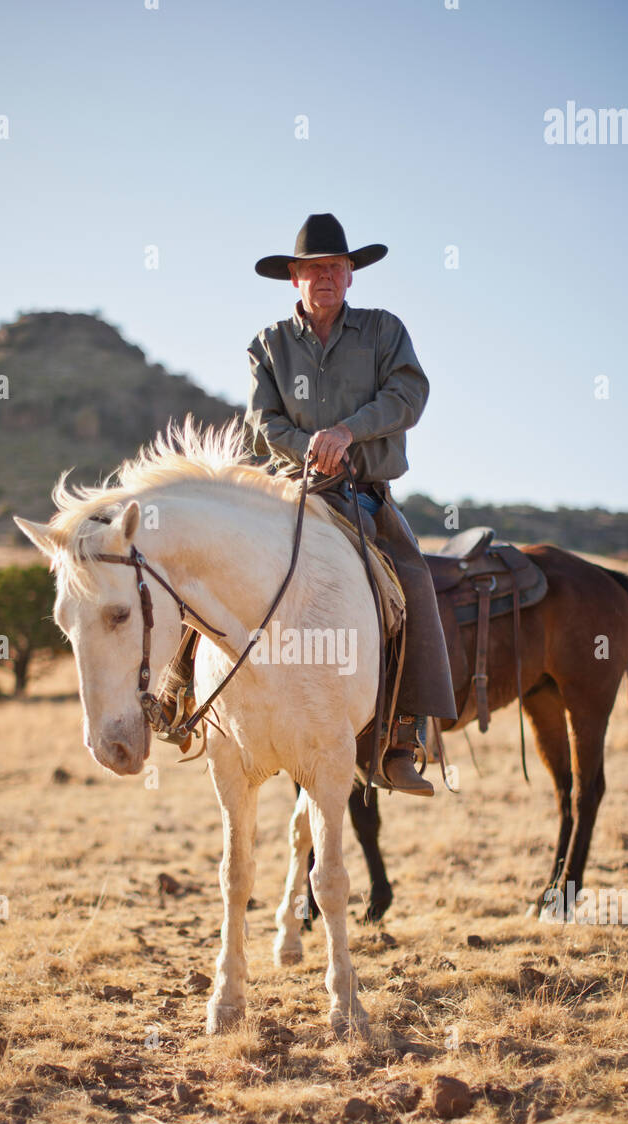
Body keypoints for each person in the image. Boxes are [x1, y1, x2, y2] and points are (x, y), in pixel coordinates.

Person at [244, 212, 456, 795]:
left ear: (351, 276)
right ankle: (179, 697)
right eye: (314, 269)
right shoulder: (268, 345)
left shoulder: (384, 331)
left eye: (336, 267)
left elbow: (409, 394)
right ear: (295, 278)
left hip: (364, 496)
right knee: (219, 562)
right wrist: (312, 450)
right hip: (294, 491)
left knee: (411, 577)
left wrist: (348, 432)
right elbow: (265, 424)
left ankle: (401, 738)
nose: (326, 277)